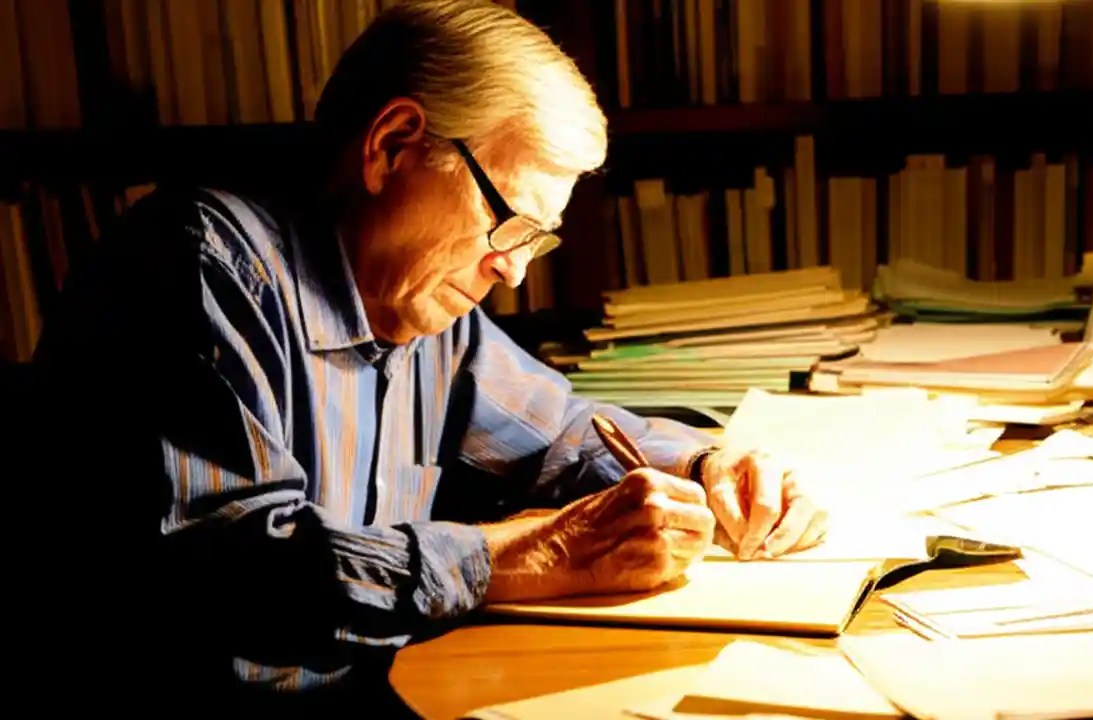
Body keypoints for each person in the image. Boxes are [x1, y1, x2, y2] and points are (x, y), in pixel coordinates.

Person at [23, 0, 827, 714]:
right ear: (394, 145)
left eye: (536, 240)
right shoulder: (200, 268)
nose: (513, 267)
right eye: (509, 222)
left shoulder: (424, 308)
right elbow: (238, 573)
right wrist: (523, 554)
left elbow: (564, 431)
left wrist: (706, 469)